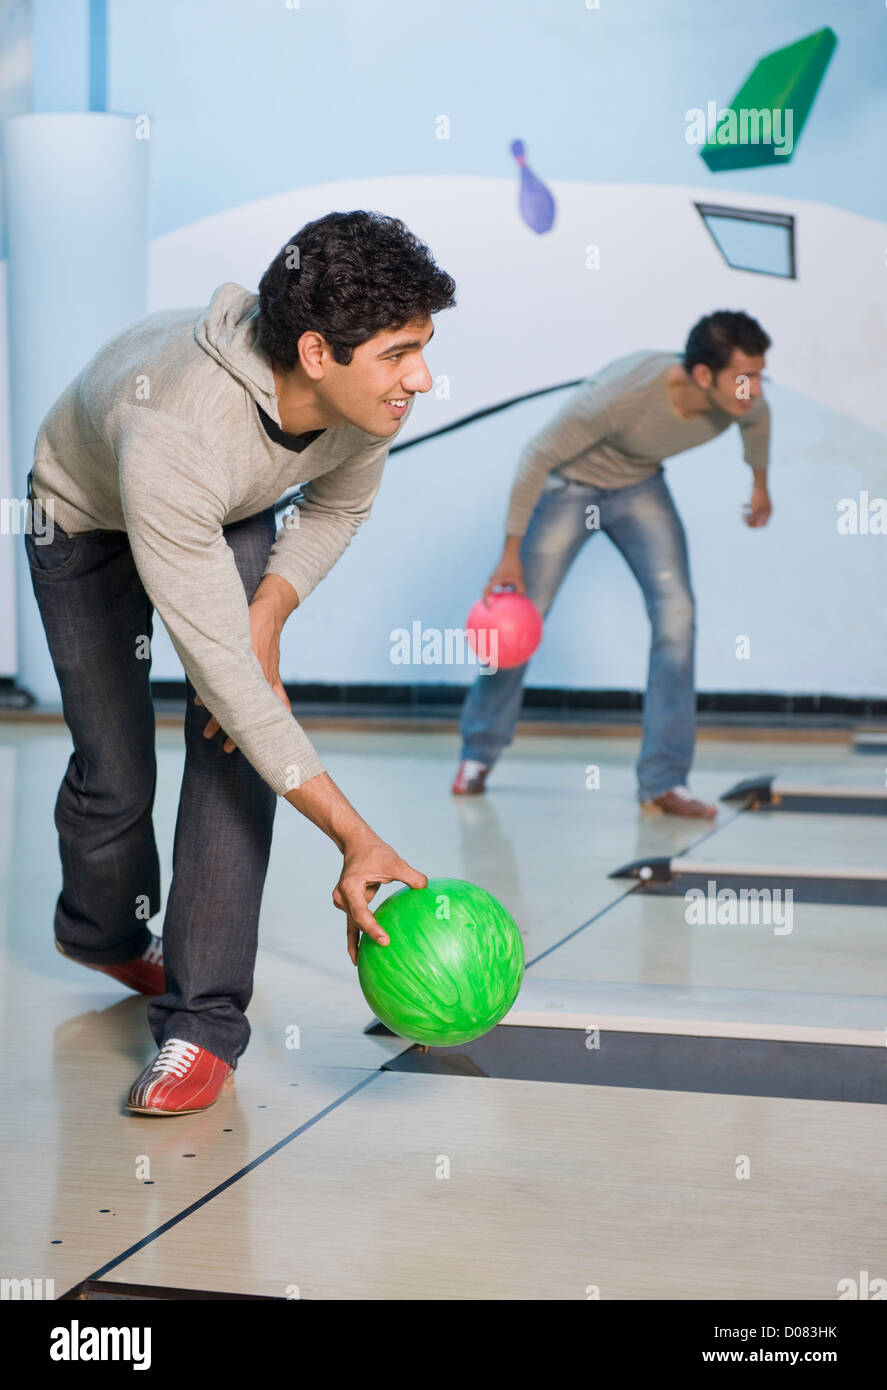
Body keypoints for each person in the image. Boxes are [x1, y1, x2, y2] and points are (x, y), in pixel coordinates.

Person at [25, 210, 456, 1114]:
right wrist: (353, 835)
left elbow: (335, 508)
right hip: (84, 511)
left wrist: (269, 606)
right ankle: (100, 931)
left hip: (231, 503)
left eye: (422, 347)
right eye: (398, 353)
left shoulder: (367, 403)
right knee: (118, 769)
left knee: (230, 747)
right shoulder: (177, 433)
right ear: (314, 352)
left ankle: (201, 1025)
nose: (421, 376)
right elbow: (236, 684)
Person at [453, 311, 772, 816]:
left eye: (758, 375)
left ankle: (664, 782)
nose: (753, 389)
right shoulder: (624, 393)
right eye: (743, 377)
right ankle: (477, 752)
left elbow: (758, 425)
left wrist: (759, 484)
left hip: (640, 485)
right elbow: (537, 453)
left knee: (677, 617)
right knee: (520, 620)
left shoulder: (741, 402)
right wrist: (510, 553)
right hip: (569, 485)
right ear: (704, 375)